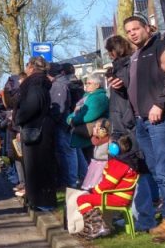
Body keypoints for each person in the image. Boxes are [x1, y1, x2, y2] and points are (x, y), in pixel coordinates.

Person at [109, 15, 165, 242]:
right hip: (141, 121)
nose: (132, 34)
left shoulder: (161, 48)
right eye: (128, 31)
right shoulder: (135, 56)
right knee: (157, 172)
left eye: (136, 29)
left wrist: (160, 104)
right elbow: (134, 89)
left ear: (147, 28)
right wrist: (119, 87)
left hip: (160, 119)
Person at [76, 134, 141, 239]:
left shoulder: (118, 164)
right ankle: (95, 226)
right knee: (86, 198)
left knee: (82, 199)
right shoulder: (128, 161)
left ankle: (97, 227)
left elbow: (107, 185)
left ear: (115, 148)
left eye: (110, 145)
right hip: (120, 197)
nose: (108, 146)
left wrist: (92, 191)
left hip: (117, 198)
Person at [17, 56, 57, 211]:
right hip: (39, 128)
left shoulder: (35, 84)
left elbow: (32, 106)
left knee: (37, 167)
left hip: (36, 129)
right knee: (38, 167)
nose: (26, 68)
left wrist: (19, 117)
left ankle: (42, 202)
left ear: (32, 67)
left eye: (27, 65)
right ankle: (38, 200)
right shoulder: (39, 83)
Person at [65, 71, 108, 180]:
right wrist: (71, 118)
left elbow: (89, 116)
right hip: (84, 134)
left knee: (95, 161)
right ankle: (90, 183)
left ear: (97, 85)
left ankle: (96, 183)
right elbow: (75, 112)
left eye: (89, 83)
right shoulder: (86, 96)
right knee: (89, 160)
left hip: (94, 135)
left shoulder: (100, 97)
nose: (86, 85)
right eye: (86, 83)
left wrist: (72, 120)